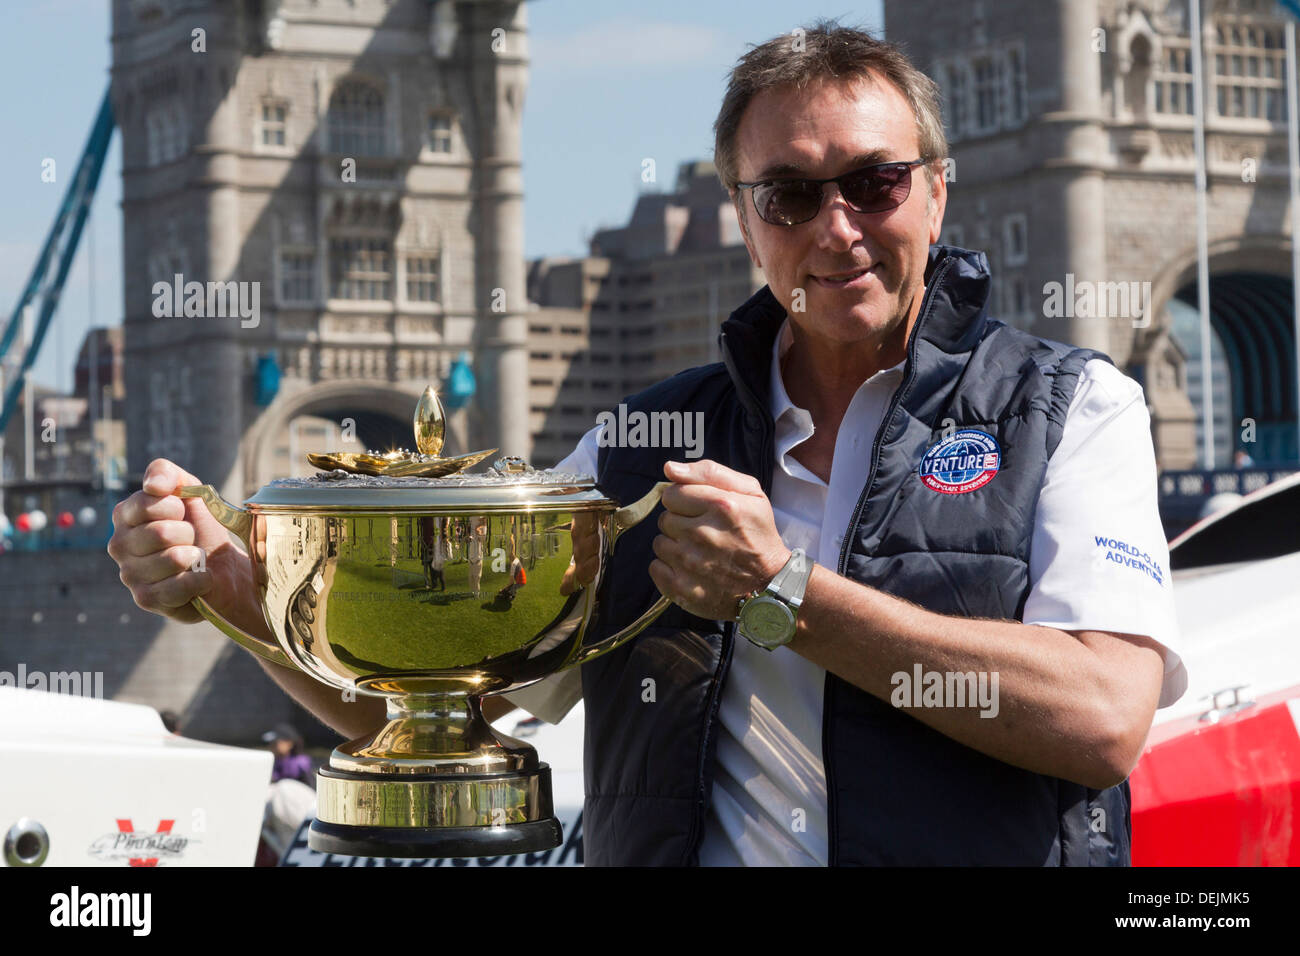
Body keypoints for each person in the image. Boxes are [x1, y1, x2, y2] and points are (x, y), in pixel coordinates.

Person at [108, 22, 1184, 866]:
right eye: (790, 195)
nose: (836, 227)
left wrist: (782, 591)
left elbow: (1099, 717)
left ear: (936, 189)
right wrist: (238, 592)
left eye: (874, 182)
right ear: (745, 217)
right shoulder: (635, 449)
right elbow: (437, 712)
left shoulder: (1072, 409)